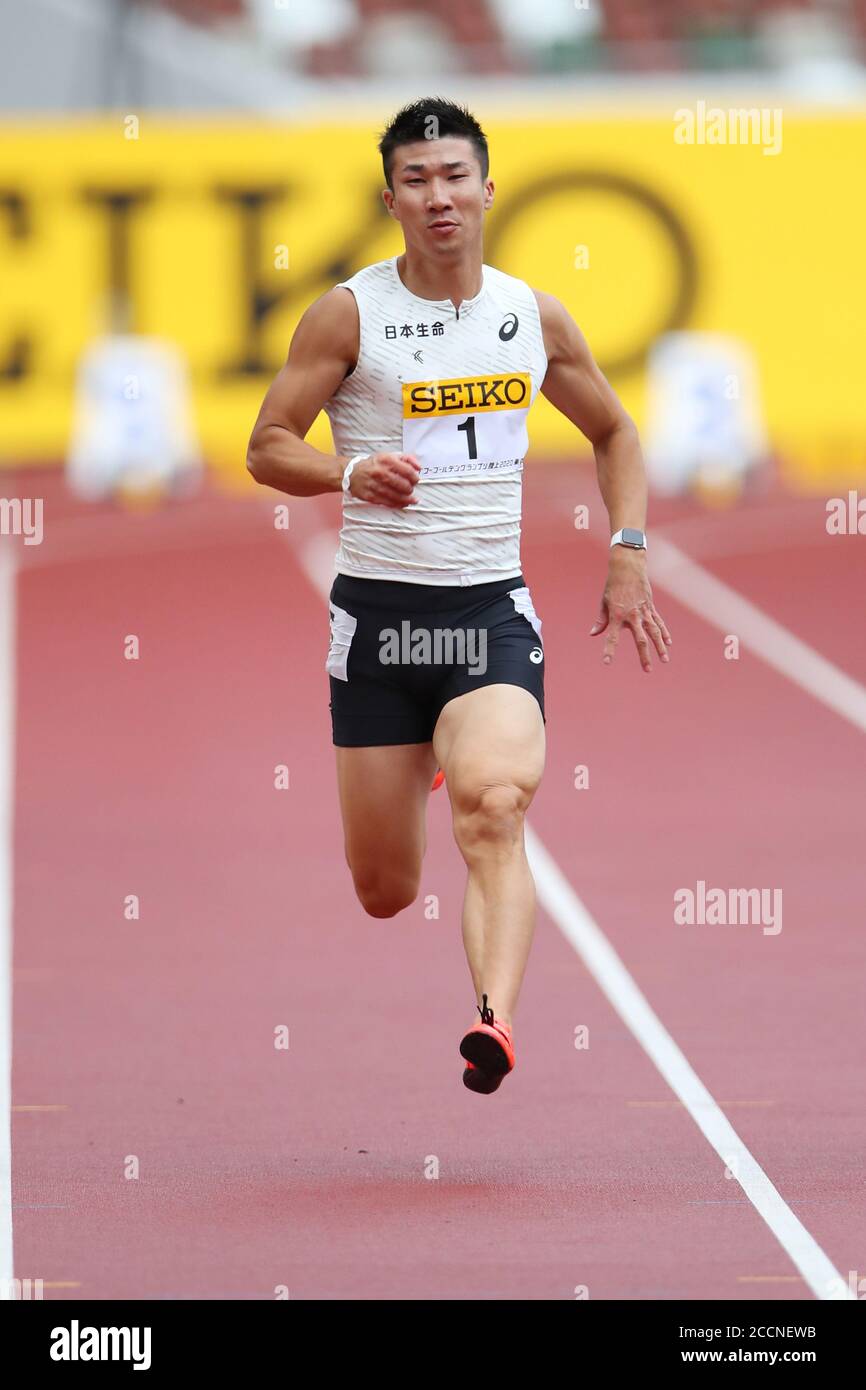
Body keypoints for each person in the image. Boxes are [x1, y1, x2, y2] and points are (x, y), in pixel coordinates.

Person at [247, 98, 672, 1096]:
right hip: (380, 629)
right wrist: (347, 475)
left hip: (486, 617)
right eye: (415, 180)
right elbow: (266, 445)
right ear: (387, 197)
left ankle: (494, 1020)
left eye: (453, 176)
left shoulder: (530, 316)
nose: (437, 196)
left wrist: (626, 547)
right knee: (385, 890)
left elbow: (613, 431)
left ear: (487, 187)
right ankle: (423, 759)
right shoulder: (349, 313)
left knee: (493, 804)